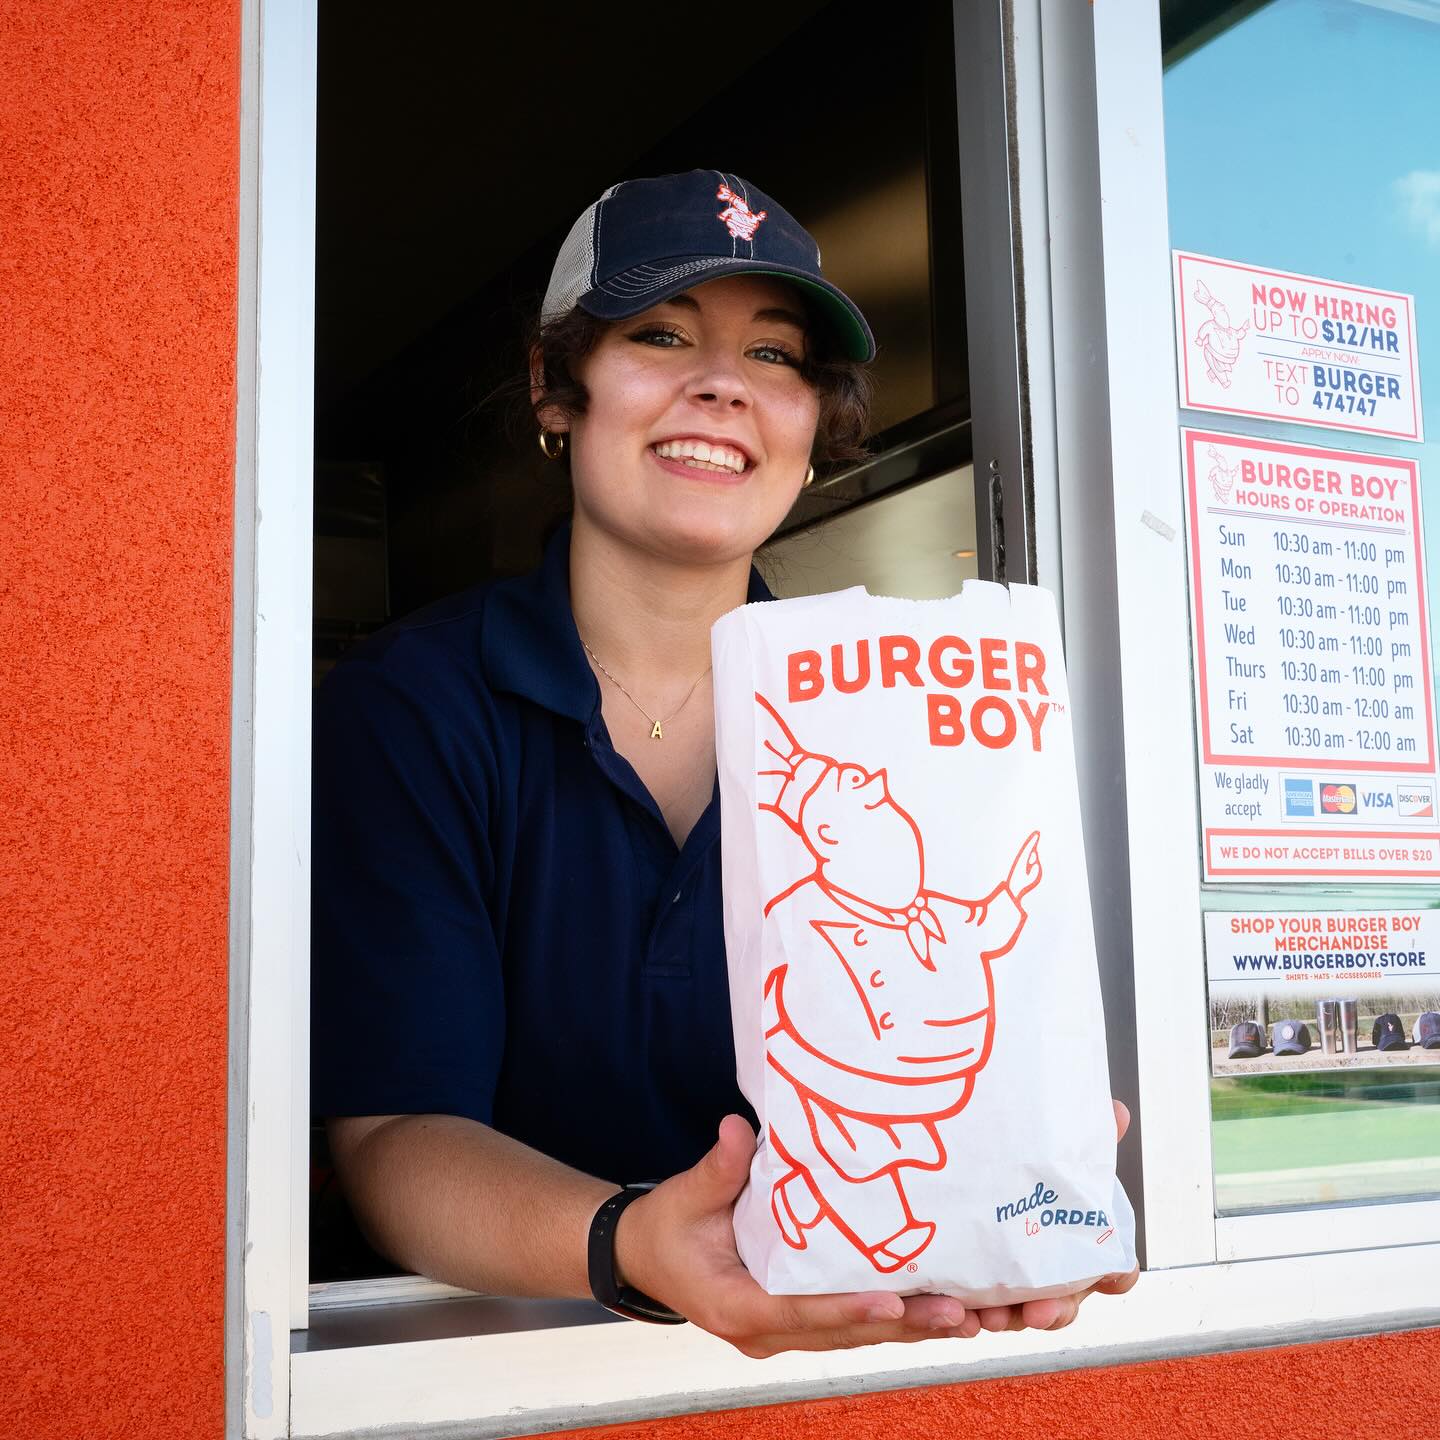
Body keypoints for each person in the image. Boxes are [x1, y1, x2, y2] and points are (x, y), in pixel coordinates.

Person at [312, 169, 1137, 1358]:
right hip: (489, 1368)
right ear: (556, 388)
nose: (722, 386)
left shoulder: (893, 726)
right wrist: (636, 1244)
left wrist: (1005, 1178)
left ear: (812, 424)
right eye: (661, 335)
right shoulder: (414, 707)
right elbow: (394, 1137)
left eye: (774, 354)